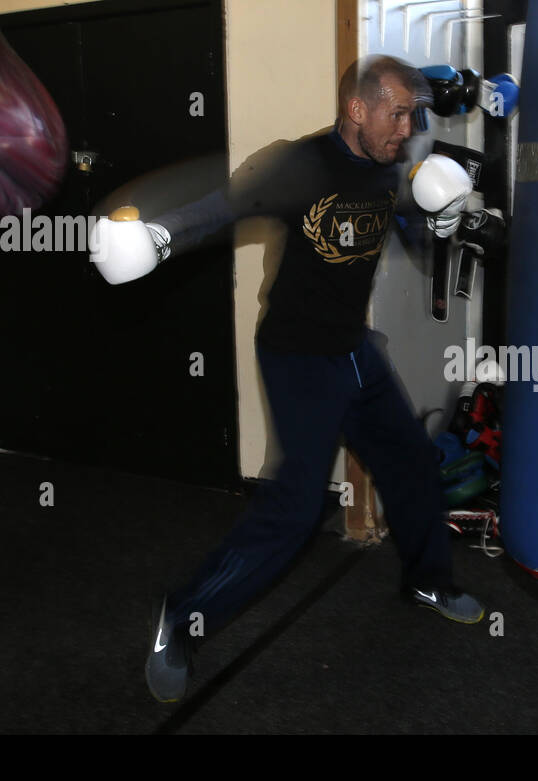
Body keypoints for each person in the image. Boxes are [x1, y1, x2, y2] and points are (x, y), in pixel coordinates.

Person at [92, 56, 485, 703]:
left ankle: (427, 577)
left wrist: (440, 223)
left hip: (354, 350)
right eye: (397, 112)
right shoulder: (299, 165)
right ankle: (181, 619)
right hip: (298, 356)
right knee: (295, 511)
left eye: (413, 114)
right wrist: (158, 240)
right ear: (357, 109)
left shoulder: (389, 165)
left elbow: (407, 229)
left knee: (412, 460)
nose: (408, 126)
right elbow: (225, 206)